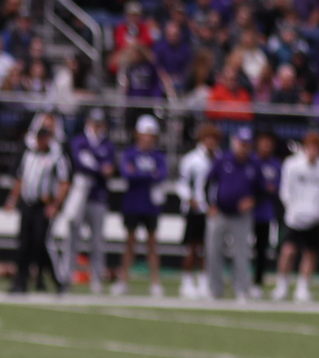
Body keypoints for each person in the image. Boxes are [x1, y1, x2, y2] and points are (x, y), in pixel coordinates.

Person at [6, 116, 70, 294]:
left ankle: (59, 280)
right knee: (24, 244)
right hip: (28, 204)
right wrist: (12, 199)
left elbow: (65, 183)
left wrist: (55, 204)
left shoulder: (56, 157)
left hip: (44, 205)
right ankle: (21, 282)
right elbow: (20, 178)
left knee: (42, 244)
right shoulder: (29, 154)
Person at [272, 131, 319, 302]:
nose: (313, 151)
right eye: (311, 147)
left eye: (317, 148)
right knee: (288, 251)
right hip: (295, 218)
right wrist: (293, 210)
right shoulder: (292, 165)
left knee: (310, 253)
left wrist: (317, 213)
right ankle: (282, 285)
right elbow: (285, 190)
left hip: (315, 220)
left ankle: (303, 287)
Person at [206, 129, 264, 301]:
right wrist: (211, 204)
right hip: (221, 213)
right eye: (241, 144)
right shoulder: (223, 160)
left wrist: (252, 201)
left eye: (247, 145)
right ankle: (214, 290)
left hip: (241, 216)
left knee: (242, 253)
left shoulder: (254, 164)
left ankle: (241, 289)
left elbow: (262, 191)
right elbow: (209, 182)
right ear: (235, 143)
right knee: (214, 251)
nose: (243, 148)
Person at [64, 108, 116, 292]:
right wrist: (99, 169)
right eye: (95, 123)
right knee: (72, 236)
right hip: (79, 194)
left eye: (100, 124)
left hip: (97, 196)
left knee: (97, 240)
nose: (97, 127)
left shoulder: (106, 144)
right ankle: (67, 274)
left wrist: (97, 168)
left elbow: (109, 168)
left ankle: (97, 277)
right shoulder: (80, 141)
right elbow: (80, 162)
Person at [117, 114, 167, 296]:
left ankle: (155, 281)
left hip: (150, 205)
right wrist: (147, 174)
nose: (147, 138)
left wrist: (139, 173)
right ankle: (123, 280)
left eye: (150, 134)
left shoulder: (158, 156)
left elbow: (161, 174)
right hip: (132, 203)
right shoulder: (130, 153)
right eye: (145, 134)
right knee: (130, 242)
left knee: (152, 243)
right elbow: (127, 174)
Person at [177, 123, 219, 298]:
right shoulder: (191, 159)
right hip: (195, 210)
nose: (211, 142)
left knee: (209, 247)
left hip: (212, 210)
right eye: (208, 138)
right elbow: (182, 183)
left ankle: (204, 281)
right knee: (193, 246)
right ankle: (187, 281)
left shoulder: (219, 158)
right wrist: (190, 199)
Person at [250, 129, 281, 297]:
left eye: (269, 143)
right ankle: (240, 279)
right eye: (264, 142)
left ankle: (257, 281)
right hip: (246, 212)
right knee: (240, 248)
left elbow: (277, 187)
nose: (266, 146)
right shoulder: (251, 161)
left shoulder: (276, 165)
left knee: (261, 249)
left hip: (265, 212)